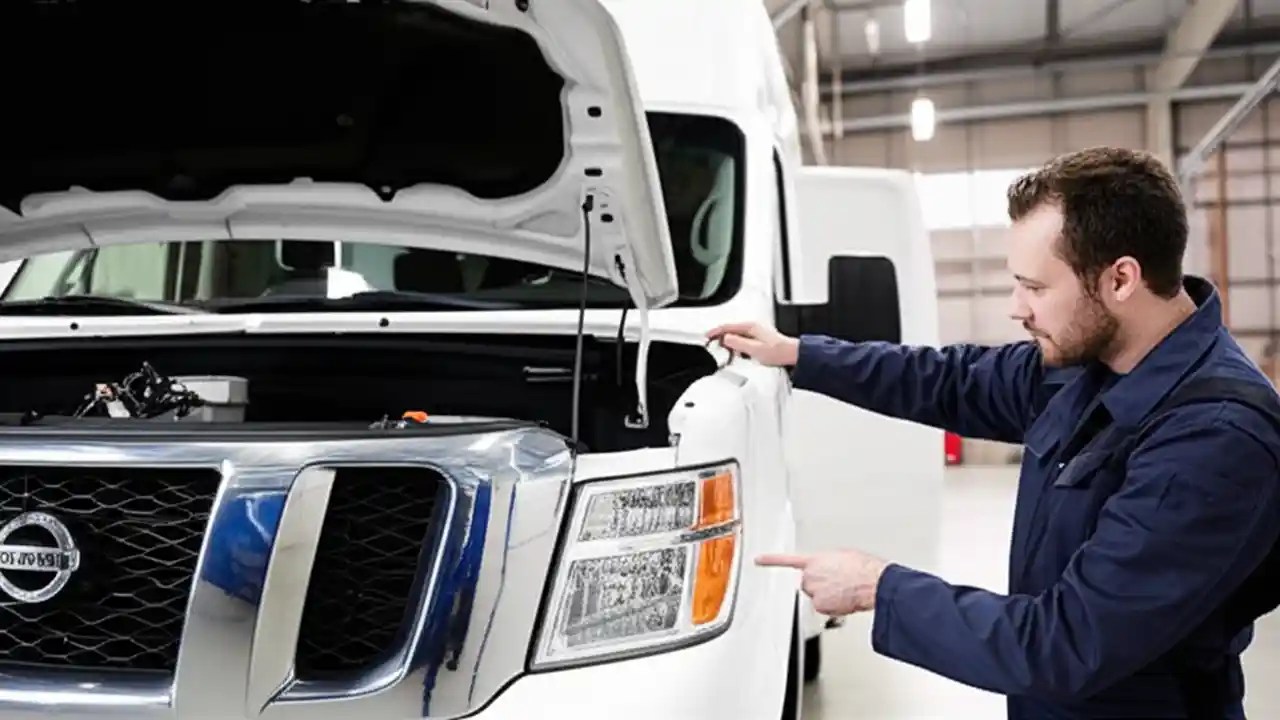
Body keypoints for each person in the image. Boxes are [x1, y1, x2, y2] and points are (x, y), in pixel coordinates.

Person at [708, 147, 1280, 719]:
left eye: (1035, 287)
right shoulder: (1090, 364)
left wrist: (877, 588)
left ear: (1121, 279)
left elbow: (1065, 642)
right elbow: (949, 380)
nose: (1016, 308)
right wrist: (800, 354)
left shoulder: (1214, 441)